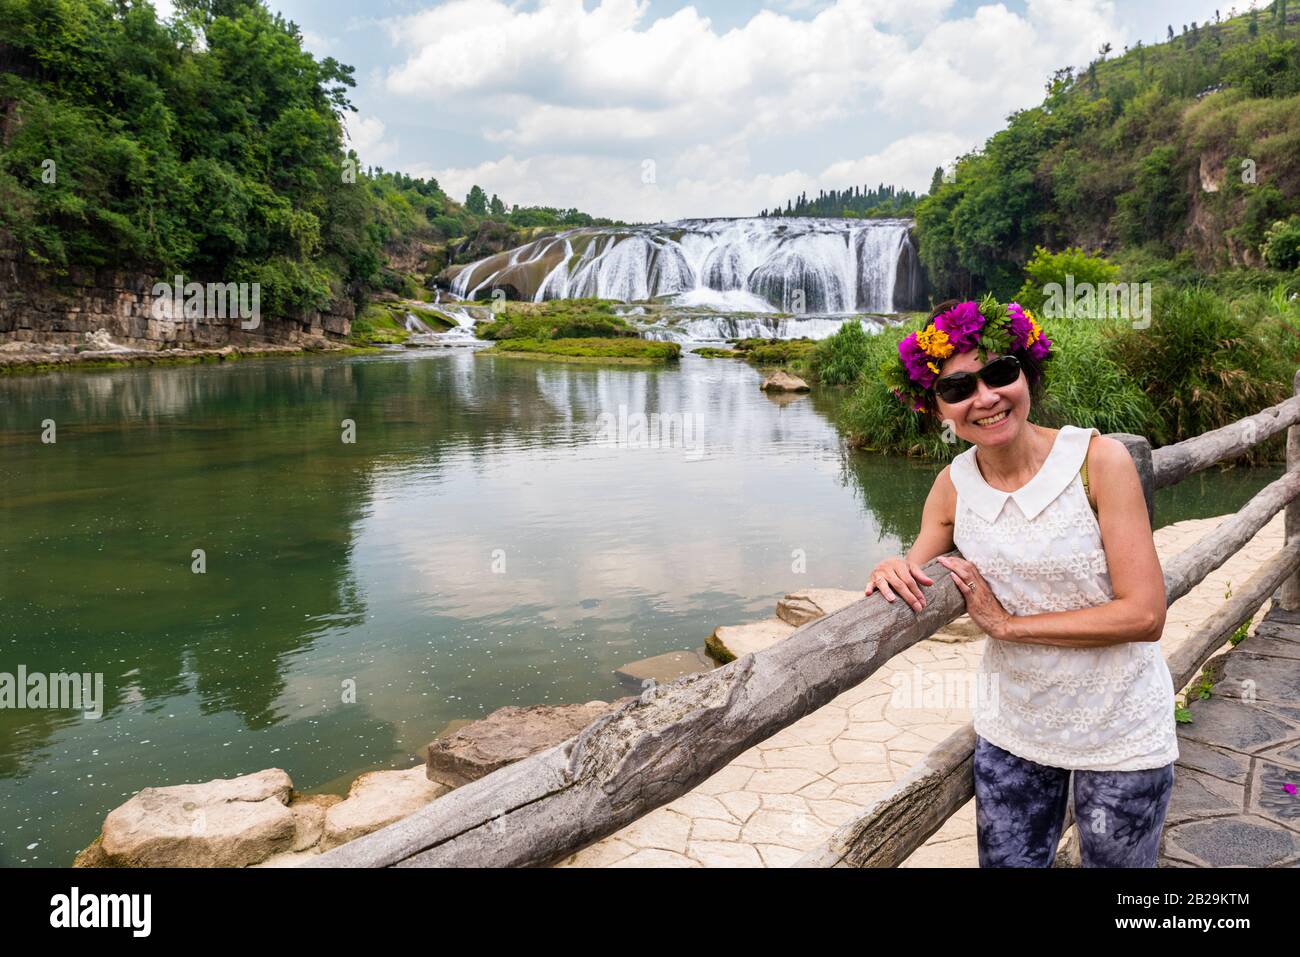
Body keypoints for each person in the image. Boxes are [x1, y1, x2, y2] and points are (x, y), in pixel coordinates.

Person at [864, 296, 1178, 868]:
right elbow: (915, 570)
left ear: (1026, 373)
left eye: (999, 373)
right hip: (1015, 729)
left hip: (1121, 727)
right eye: (957, 389)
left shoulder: (1098, 461)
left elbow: (1144, 615)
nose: (984, 398)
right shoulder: (952, 485)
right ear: (937, 410)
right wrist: (889, 566)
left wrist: (1007, 625)